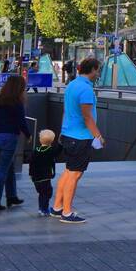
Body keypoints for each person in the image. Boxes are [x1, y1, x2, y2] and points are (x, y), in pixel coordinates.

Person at [52, 57, 103, 224]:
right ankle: (67, 212)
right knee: (75, 174)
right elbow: (87, 116)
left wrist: (62, 131)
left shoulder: (72, 84)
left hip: (68, 134)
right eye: (98, 70)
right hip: (80, 137)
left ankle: (57, 207)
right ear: (93, 69)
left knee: (68, 171)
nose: (98, 73)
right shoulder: (86, 90)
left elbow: (67, 111)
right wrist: (98, 135)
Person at [0, 75, 32, 212]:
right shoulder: (16, 102)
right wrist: (28, 135)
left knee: (9, 166)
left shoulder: (0, 100)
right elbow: (21, 121)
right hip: (9, 138)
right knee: (2, 171)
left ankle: (12, 196)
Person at [29, 129, 61, 216]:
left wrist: (30, 174)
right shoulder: (50, 151)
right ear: (52, 141)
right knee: (47, 193)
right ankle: (44, 209)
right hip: (45, 177)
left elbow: (31, 163)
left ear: (40, 140)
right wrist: (60, 143)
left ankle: (41, 208)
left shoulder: (35, 150)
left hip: (35, 178)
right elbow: (58, 151)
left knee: (41, 193)